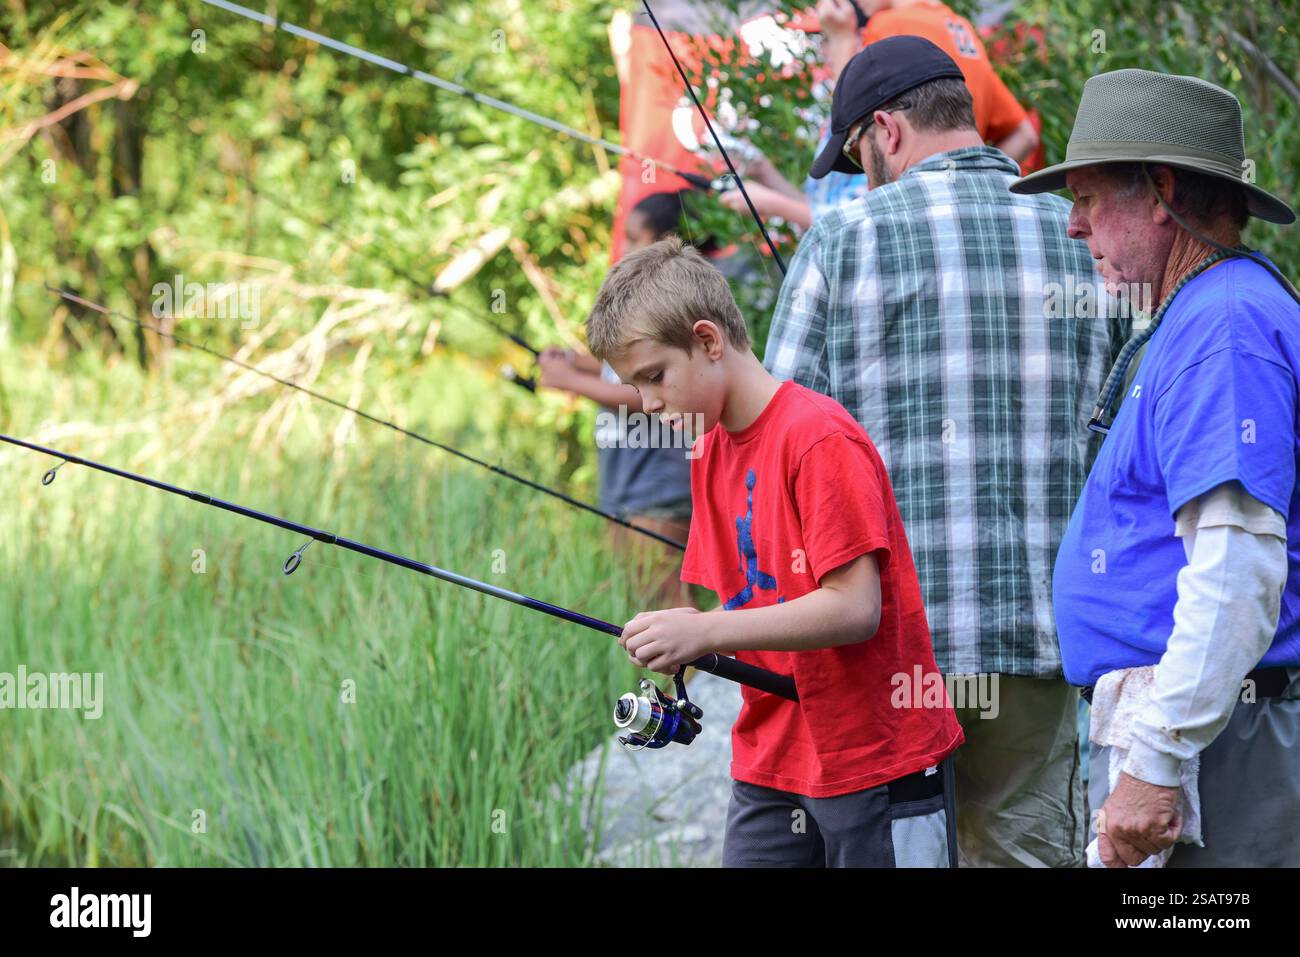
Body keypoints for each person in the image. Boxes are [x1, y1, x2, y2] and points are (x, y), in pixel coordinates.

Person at [763, 36, 1129, 867]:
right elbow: (1130, 436)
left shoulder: (842, 239)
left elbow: (778, 450)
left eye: (857, 153)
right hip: (1046, 642)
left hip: (890, 652)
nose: (860, 175)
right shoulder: (1081, 234)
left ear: (886, 130)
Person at [585, 235, 964, 868]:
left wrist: (703, 629)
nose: (647, 403)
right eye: (633, 385)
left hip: (875, 758)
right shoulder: (706, 451)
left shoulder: (816, 438)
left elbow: (854, 609)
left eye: (654, 378)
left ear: (709, 341)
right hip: (772, 759)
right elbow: (745, 608)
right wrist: (683, 642)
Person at [1011, 68, 1300, 867]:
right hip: (1211, 733)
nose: (1075, 228)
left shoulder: (1227, 322)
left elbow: (1237, 563)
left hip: (1228, 747)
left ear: (1163, 192)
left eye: (1089, 197)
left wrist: (1156, 759)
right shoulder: (1205, 312)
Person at [720, 0, 1038, 227]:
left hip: (908, 210)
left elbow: (854, 114)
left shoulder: (890, 25)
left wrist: (842, 38)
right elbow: (1024, 134)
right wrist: (973, 182)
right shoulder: (959, 28)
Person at [539, 192, 699, 604]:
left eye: (633, 238)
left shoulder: (675, 305)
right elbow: (623, 372)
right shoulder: (643, 304)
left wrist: (569, 383)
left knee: (667, 607)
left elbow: (646, 391)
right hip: (625, 483)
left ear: (666, 242)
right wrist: (575, 363)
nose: (623, 249)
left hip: (659, 486)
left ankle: (703, 673)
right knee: (641, 603)